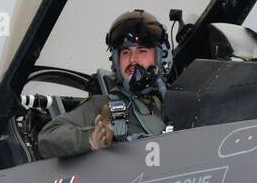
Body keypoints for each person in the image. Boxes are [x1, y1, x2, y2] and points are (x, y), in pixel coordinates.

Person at [37, 9, 170, 158]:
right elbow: (48, 137)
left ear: (159, 57)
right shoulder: (104, 106)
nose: (133, 59)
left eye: (142, 51)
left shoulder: (176, 102)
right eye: (125, 52)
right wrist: (91, 139)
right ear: (116, 60)